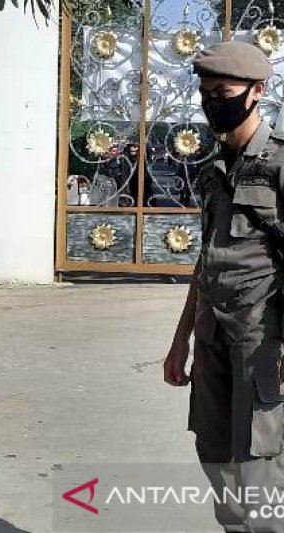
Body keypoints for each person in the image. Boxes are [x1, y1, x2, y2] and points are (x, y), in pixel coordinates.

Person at [164, 41, 284, 532]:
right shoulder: (218, 167)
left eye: (225, 91)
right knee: (214, 449)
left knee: (260, 462)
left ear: (257, 92)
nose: (214, 100)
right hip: (212, 334)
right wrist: (179, 342)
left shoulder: (277, 164)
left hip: (261, 336)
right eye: (206, 91)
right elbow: (205, 262)